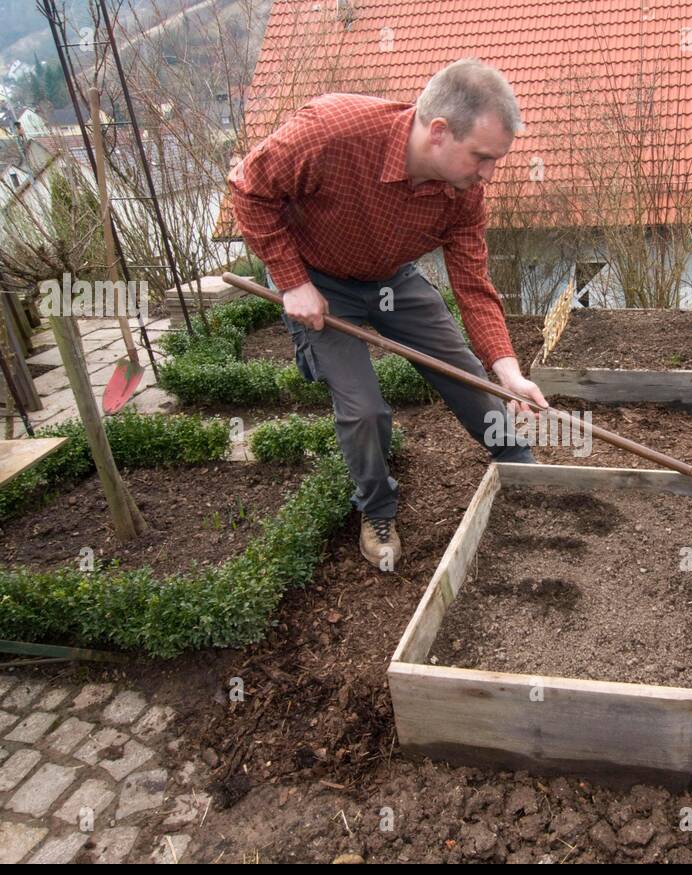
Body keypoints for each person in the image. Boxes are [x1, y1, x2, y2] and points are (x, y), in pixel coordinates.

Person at [228, 58, 547, 571]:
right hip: (317, 283)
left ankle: (516, 460)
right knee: (365, 409)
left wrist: (507, 369)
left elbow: (472, 282)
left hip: (391, 282)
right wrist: (293, 282)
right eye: (482, 157)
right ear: (438, 132)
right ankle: (376, 511)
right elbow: (249, 188)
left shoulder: (464, 194)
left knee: (468, 375)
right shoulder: (334, 131)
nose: (488, 173)